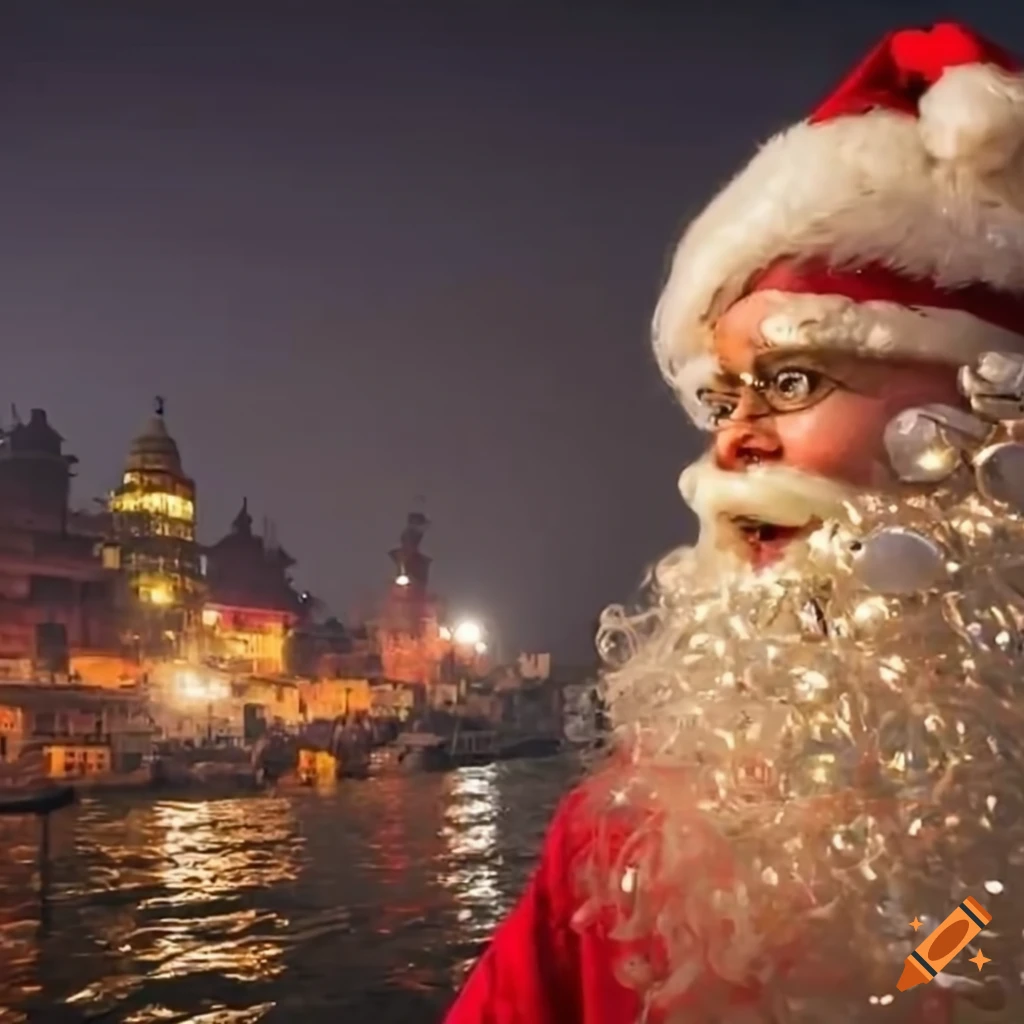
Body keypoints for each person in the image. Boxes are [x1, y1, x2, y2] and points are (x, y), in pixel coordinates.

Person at [444, 21, 1024, 1024]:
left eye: (792, 381)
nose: (731, 445)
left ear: (996, 403)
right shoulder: (622, 839)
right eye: (720, 402)